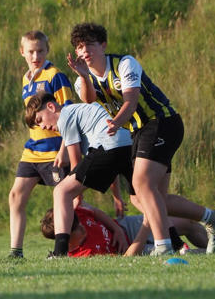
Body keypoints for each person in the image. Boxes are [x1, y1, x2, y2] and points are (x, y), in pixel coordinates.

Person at [66, 23, 215, 255]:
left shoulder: (125, 64)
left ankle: (163, 246)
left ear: (103, 45)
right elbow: (89, 100)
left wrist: (116, 122)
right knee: (150, 198)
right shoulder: (83, 79)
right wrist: (84, 76)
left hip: (162, 122)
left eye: (89, 44)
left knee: (142, 184)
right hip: (139, 132)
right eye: (79, 47)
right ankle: (212, 218)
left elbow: (131, 102)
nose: (84, 51)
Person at [25, 92, 134, 258]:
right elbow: (111, 164)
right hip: (128, 142)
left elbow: (76, 162)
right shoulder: (80, 113)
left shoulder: (65, 116)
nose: (43, 127)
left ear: (51, 107)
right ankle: (169, 240)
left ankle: (59, 253)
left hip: (110, 145)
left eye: (40, 120)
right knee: (142, 199)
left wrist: (76, 196)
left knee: (61, 191)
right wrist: (117, 197)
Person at [7, 30, 75, 259]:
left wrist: (65, 149)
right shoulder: (25, 80)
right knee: (15, 196)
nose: (35, 56)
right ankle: (16, 252)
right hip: (33, 150)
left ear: (47, 50)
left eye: (40, 51)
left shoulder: (55, 75)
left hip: (55, 150)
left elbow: (69, 113)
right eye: (31, 51)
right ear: (22, 52)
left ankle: (70, 248)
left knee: (66, 199)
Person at [40, 203, 215, 257]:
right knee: (183, 253)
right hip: (136, 248)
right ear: (65, 237)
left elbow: (96, 212)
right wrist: (146, 226)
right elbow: (127, 258)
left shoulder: (75, 214)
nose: (82, 225)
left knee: (187, 224)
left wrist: (117, 229)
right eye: (77, 228)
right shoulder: (84, 255)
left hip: (126, 226)